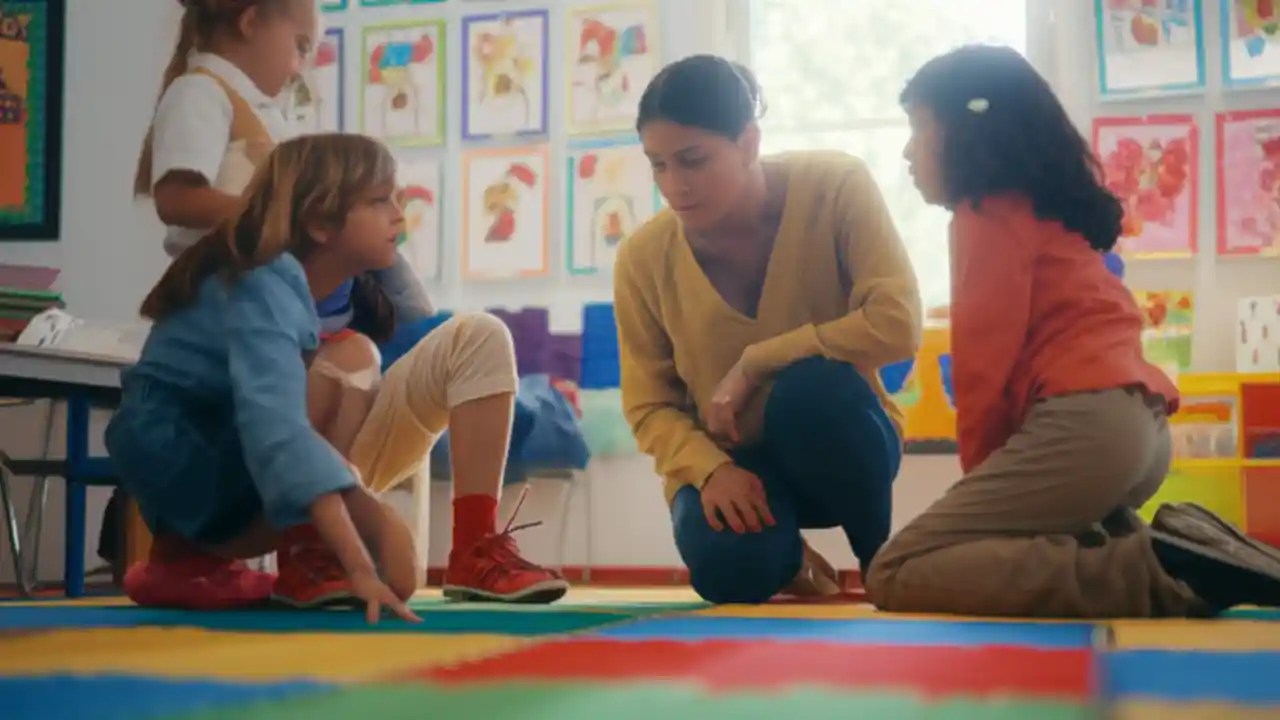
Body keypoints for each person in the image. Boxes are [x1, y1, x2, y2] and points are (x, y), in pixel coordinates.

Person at [864, 45, 1280, 617]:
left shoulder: (984, 213)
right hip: (1139, 431)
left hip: (1090, 426)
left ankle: (1152, 571)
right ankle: (1172, 544)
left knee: (896, 570)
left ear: (963, 132)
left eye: (918, 129)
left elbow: (984, 365)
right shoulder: (1046, 211)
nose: (908, 153)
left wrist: (982, 480)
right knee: (993, 545)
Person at [108, 134, 569, 617]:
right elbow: (276, 433)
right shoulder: (258, 284)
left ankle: (475, 549)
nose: (398, 213)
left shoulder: (351, 283)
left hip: (287, 467)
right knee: (350, 356)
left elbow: (418, 336)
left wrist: (368, 526)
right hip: (213, 487)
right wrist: (365, 536)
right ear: (320, 223)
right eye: (378, 201)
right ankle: (307, 551)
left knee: (479, 334)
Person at [614, 55, 921, 604]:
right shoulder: (641, 258)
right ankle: (788, 559)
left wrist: (759, 359)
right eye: (657, 165)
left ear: (749, 143)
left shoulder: (836, 185)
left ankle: (881, 557)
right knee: (731, 573)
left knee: (810, 390)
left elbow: (897, 323)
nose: (674, 186)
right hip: (732, 467)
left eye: (693, 160)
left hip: (838, 442)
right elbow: (648, 406)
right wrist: (709, 472)